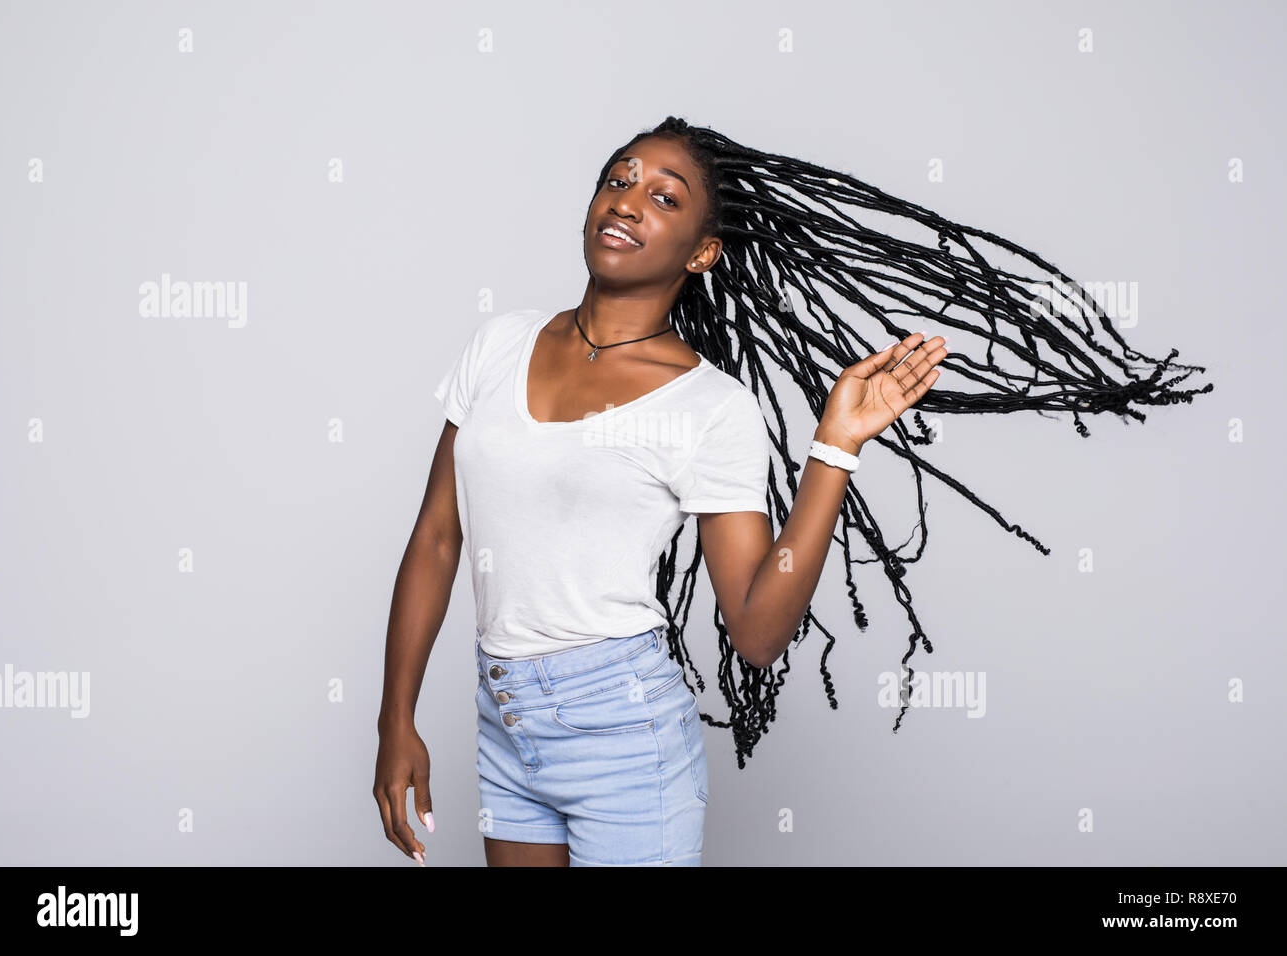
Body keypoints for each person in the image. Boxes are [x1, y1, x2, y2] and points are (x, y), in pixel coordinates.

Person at [374, 117, 1210, 867]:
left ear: (702, 252)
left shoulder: (709, 407)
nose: (627, 202)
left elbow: (759, 630)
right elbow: (438, 540)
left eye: (665, 197)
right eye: (618, 179)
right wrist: (395, 718)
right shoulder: (499, 344)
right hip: (503, 718)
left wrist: (834, 447)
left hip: (622, 731)